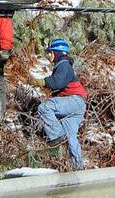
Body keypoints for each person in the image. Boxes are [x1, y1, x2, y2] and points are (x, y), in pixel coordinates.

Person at [35, 39, 88, 168]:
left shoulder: (63, 65)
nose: (49, 55)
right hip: (79, 105)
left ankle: (57, 138)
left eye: (50, 52)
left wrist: (42, 82)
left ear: (57, 53)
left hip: (74, 100)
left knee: (44, 108)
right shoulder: (65, 65)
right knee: (71, 137)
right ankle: (78, 167)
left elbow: (57, 82)